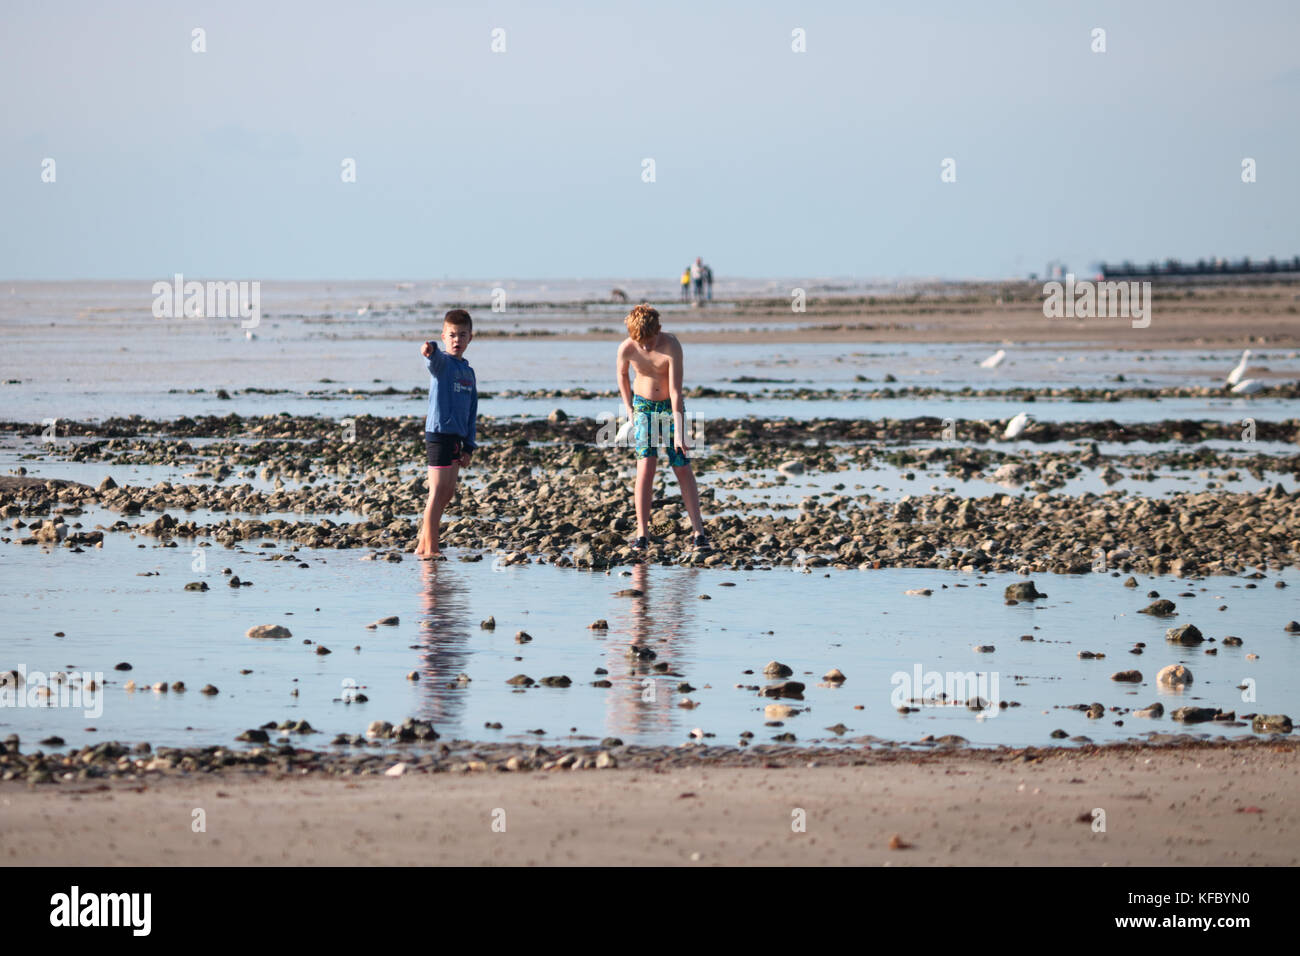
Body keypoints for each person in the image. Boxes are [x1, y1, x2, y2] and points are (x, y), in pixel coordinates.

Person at [615, 303, 709, 551]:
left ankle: (698, 532)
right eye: (641, 342)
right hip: (643, 408)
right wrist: (629, 410)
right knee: (646, 466)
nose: (646, 347)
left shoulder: (671, 345)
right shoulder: (627, 347)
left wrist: (679, 430)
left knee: (682, 466)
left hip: (669, 407)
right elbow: (622, 376)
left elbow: (677, 391)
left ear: (659, 330)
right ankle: (642, 534)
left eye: (650, 340)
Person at [415, 309, 478, 558]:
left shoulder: (468, 373)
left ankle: (422, 544)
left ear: (470, 338)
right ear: (444, 336)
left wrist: (469, 447)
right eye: (452, 335)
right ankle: (431, 549)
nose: (457, 340)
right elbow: (430, 356)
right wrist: (428, 348)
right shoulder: (442, 363)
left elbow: (472, 411)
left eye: (462, 335)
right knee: (437, 492)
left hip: (457, 438)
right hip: (439, 434)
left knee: (447, 493)